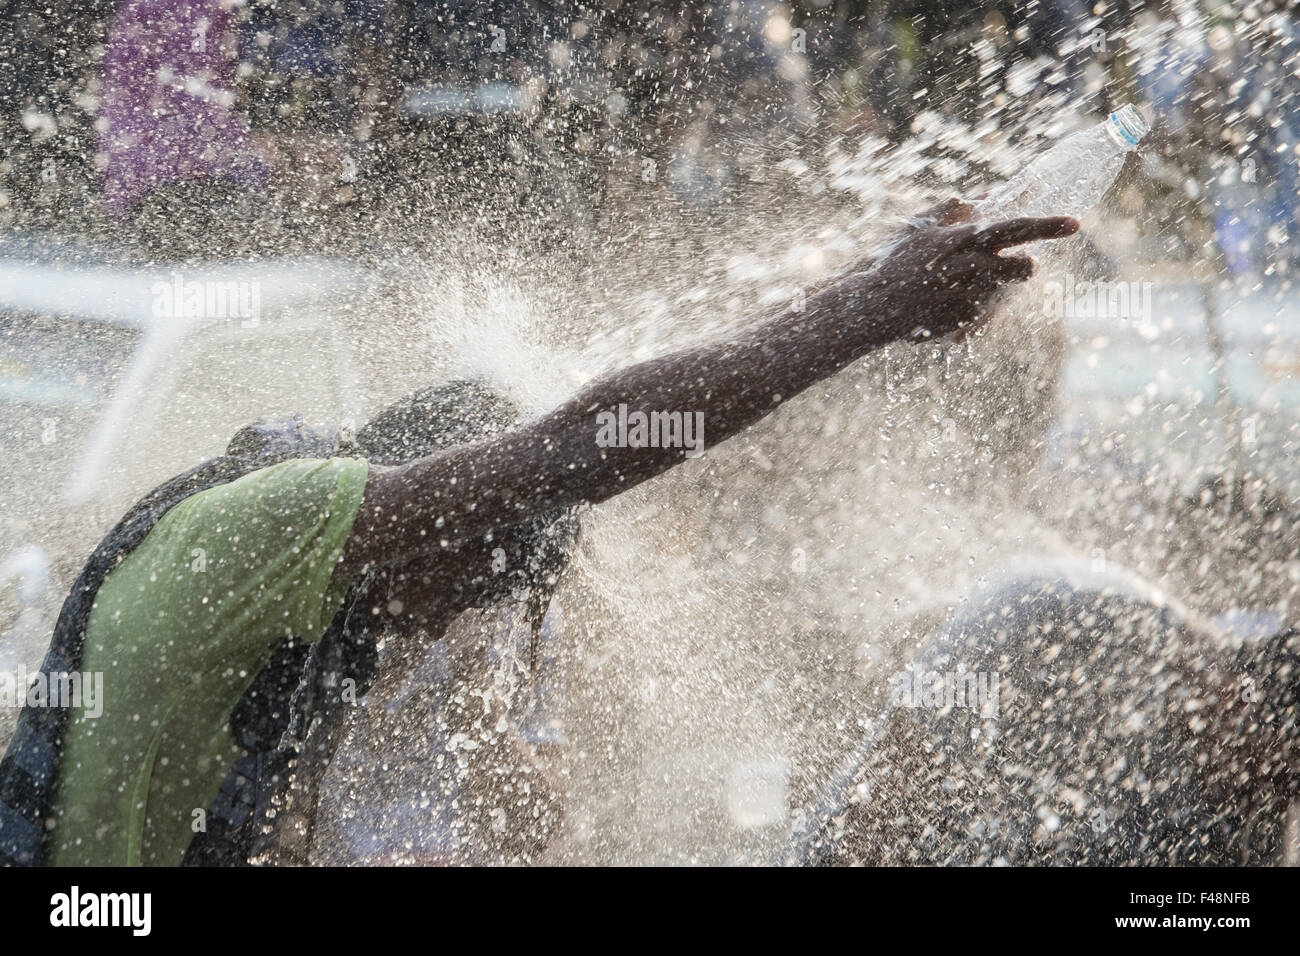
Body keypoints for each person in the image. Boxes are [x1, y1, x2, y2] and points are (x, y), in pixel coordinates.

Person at [0, 205, 1080, 866]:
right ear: (444, 515)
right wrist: (870, 311)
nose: (444, 624)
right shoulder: (273, 523)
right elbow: (583, 441)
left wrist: (869, 279)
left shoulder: (303, 600)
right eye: (469, 585)